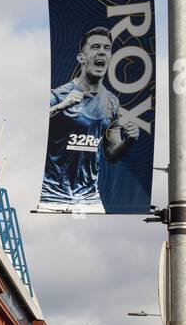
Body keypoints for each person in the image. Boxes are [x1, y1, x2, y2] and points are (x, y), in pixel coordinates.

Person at [41, 26, 139, 212]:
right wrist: (61, 107)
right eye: (95, 47)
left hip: (89, 197)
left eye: (106, 48)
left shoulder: (111, 101)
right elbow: (34, 124)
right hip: (52, 194)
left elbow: (111, 153)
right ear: (81, 58)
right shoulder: (60, 94)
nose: (102, 51)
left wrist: (129, 141)